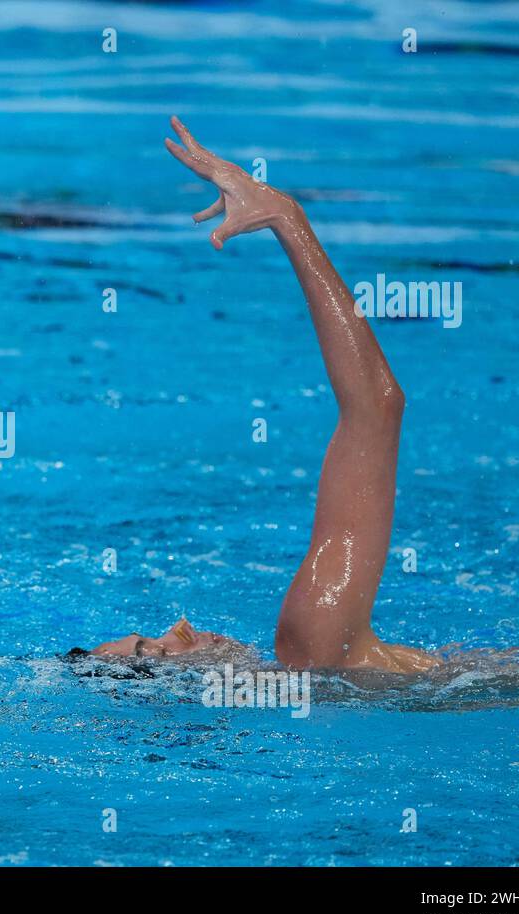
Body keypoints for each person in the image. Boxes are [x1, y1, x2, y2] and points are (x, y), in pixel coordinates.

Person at [89, 117, 439, 675]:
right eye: (155, 650)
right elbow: (376, 405)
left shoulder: (310, 678)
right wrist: (286, 217)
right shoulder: (312, 644)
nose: (177, 626)